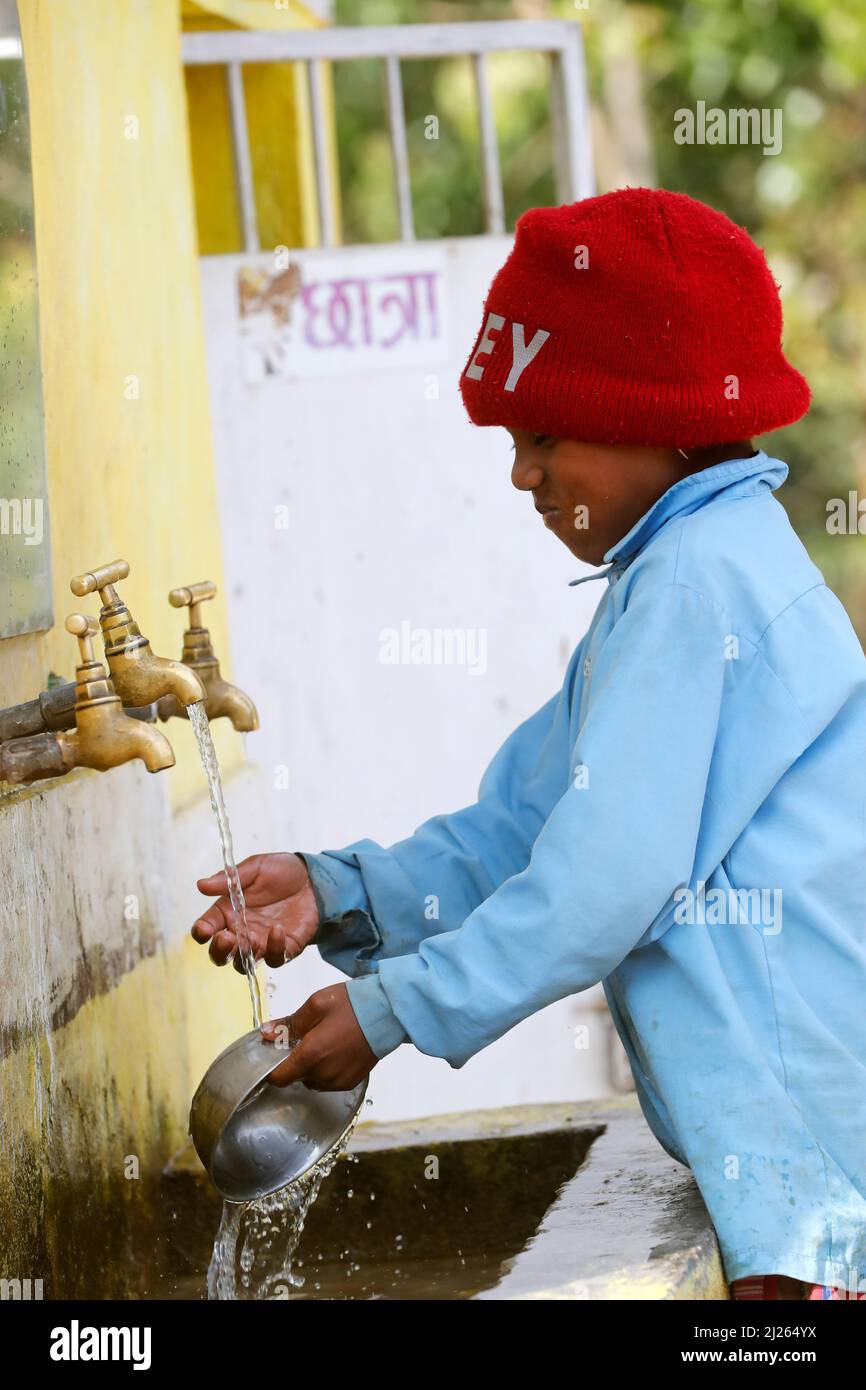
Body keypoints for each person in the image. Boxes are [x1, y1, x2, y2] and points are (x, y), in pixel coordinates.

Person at [192, 188, 866, 1302]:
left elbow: (601, 881)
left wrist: (391, 1009)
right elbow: (528, 827)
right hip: (793, 1158)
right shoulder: (677, 576)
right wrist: (339, 890)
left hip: (817, 1165)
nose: (520, 473)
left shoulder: (700, 585)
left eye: (542, 436)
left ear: (659, 415)